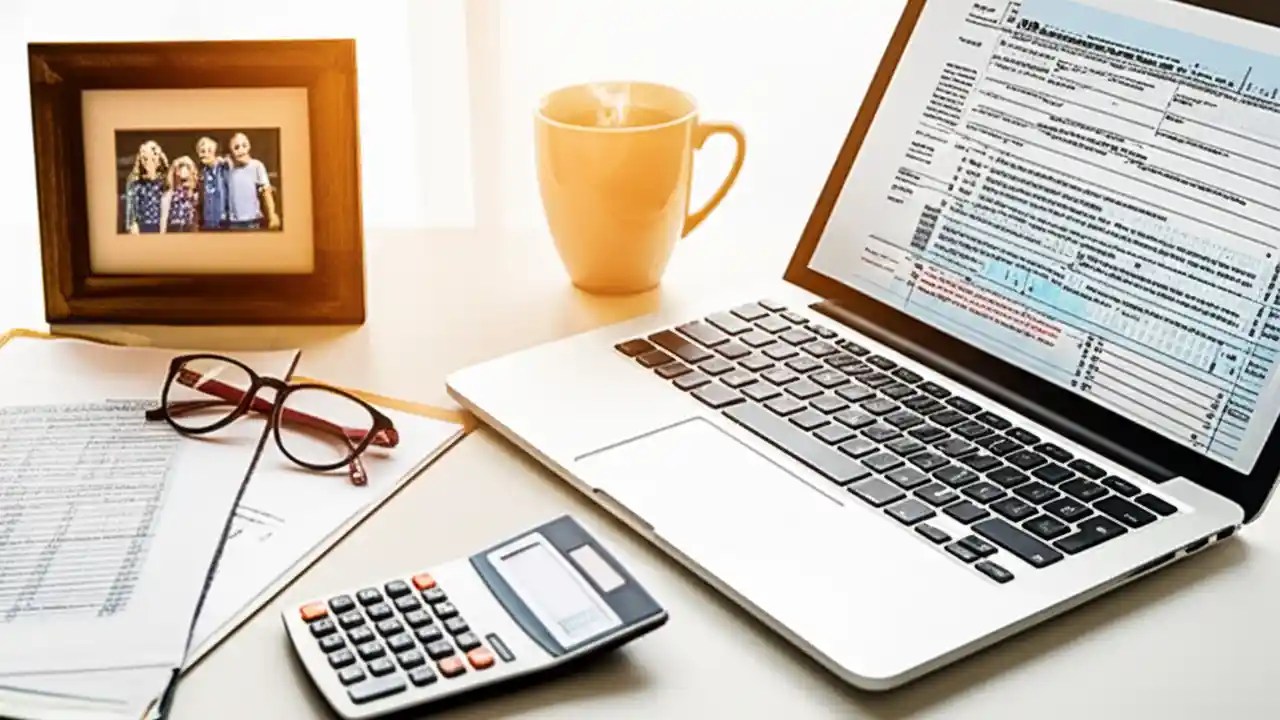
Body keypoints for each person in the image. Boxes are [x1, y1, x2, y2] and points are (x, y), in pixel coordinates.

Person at [225, 132, 281, 230]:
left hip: (253, 220)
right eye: (236, 147)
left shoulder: (256, 166)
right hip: (234, 222)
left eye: (244, 145)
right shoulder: (229, 169)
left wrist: (272, 214)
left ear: (249, 146)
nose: (241, 150)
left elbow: (266, 192)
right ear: (231, 151)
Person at [123, 140, 168, 234]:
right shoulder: (135, 181)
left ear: (159, 160)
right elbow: (131, 208)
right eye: (145, 159)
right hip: (141, 227)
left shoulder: (165, 181)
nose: (149, 162)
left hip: (162, 227)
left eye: (153, 158)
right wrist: (132, 225)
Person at [195, 136, 229, 230]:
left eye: (209, 151)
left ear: (215, 153)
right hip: (207, 223)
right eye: (202, 151)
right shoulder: (202, 174)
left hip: (224, 222)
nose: (205, 154)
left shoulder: (224, 169)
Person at [161, 156, 199, 233]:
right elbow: (164, 218)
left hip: (192, 231)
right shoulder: (168, 196)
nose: (183, 183)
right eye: (181, 179)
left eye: (186, 179)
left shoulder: (197, 196)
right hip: (173, 231)